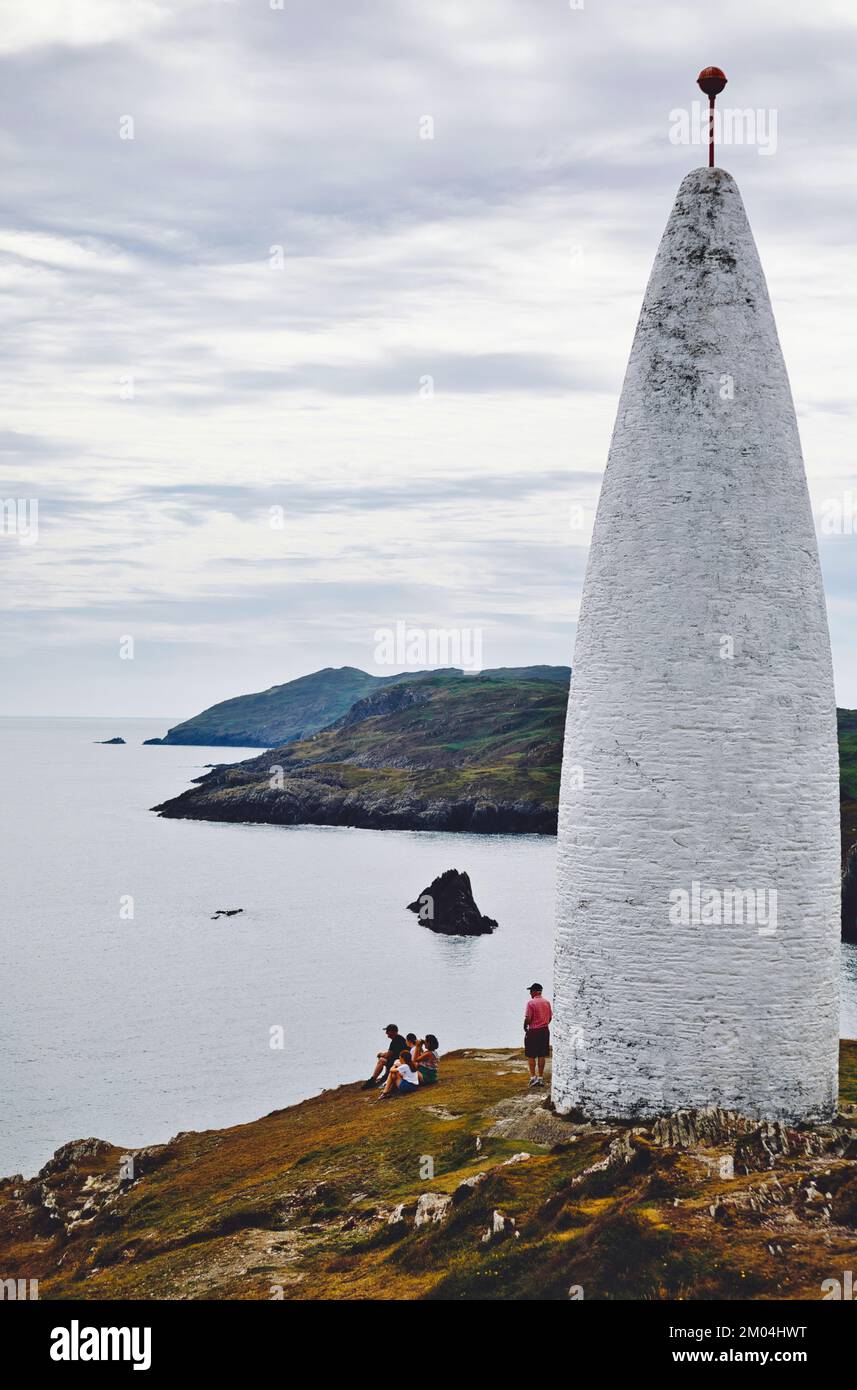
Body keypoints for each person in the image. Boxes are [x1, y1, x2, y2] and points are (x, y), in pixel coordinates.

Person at [361, 1024, 410, 1090]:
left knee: (381, 1060)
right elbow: (391, 1053)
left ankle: (372, 1080)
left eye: (388, 1031)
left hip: (399, 1062)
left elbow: (388, 1055)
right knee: (385, 1059)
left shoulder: (396, 1040)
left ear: (393, 1032)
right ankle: (385, 1076)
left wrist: (381, 1054)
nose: (386, 1033)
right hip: (398, 1060)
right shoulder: (399, 1038)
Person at [523, 983, 552, 1087]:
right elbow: (549, 1018)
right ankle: (540, 1078)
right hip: (544, 1031)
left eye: (531, 991)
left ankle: (533, 1077)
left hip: (534, 1031)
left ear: (535, 992)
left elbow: (528, 1018)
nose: (530, 993)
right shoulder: (547, 1002)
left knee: (531, 1055)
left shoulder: (531, 1003)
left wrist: (525, 1025)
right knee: (541, 1054)